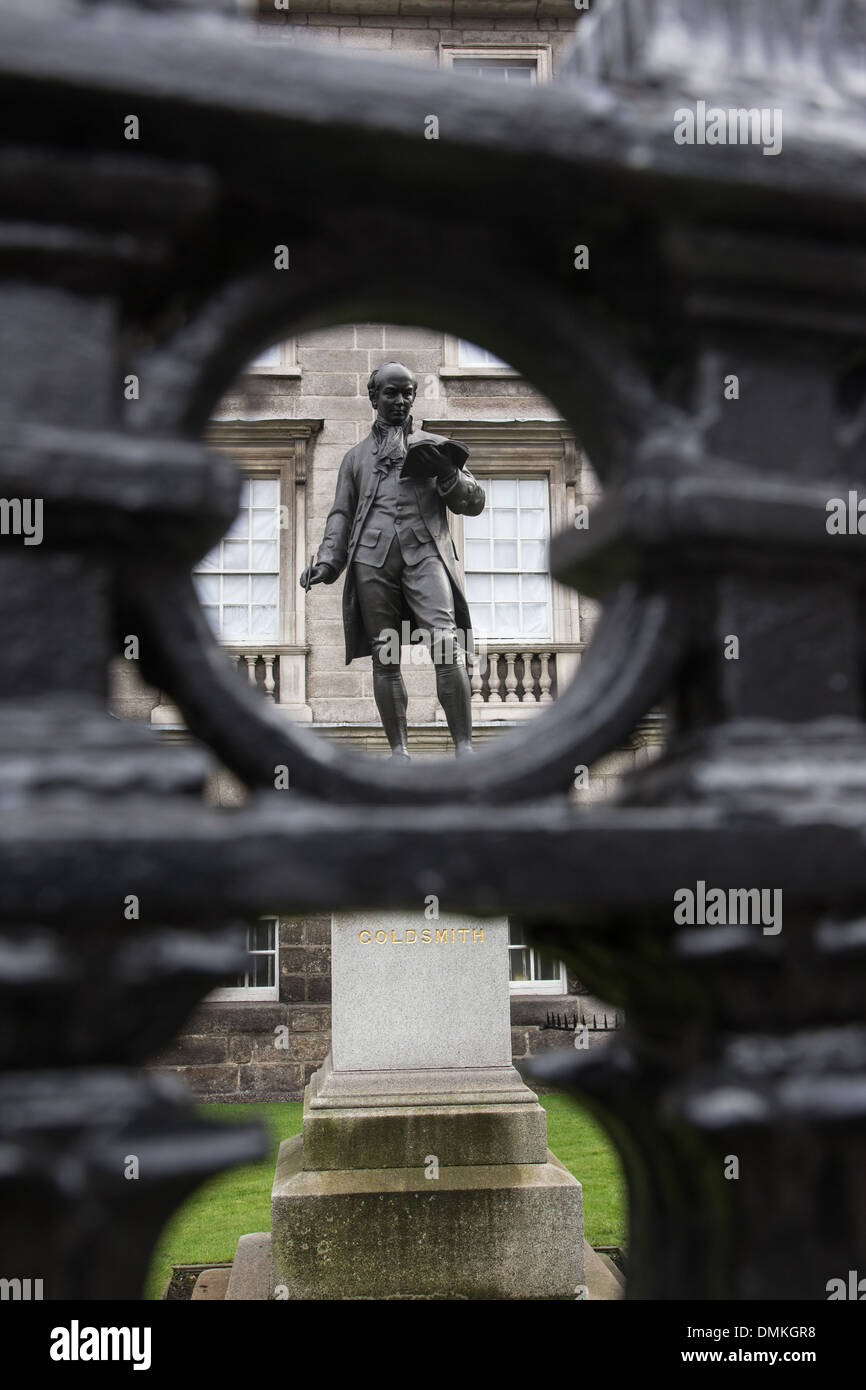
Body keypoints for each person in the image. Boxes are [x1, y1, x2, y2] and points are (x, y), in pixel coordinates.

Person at [301, 361, 486, 758]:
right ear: (373, 397)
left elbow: (474, 502)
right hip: (372, 559)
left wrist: (449, 474)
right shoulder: (354, 459)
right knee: (385, 656)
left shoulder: (434, 446)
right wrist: (329, 562)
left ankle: (464, 748)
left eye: (407, 393)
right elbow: (341, 513)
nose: (400, 401)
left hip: (424, 554)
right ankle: (399, 750)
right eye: (391, 393)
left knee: (446, 643)